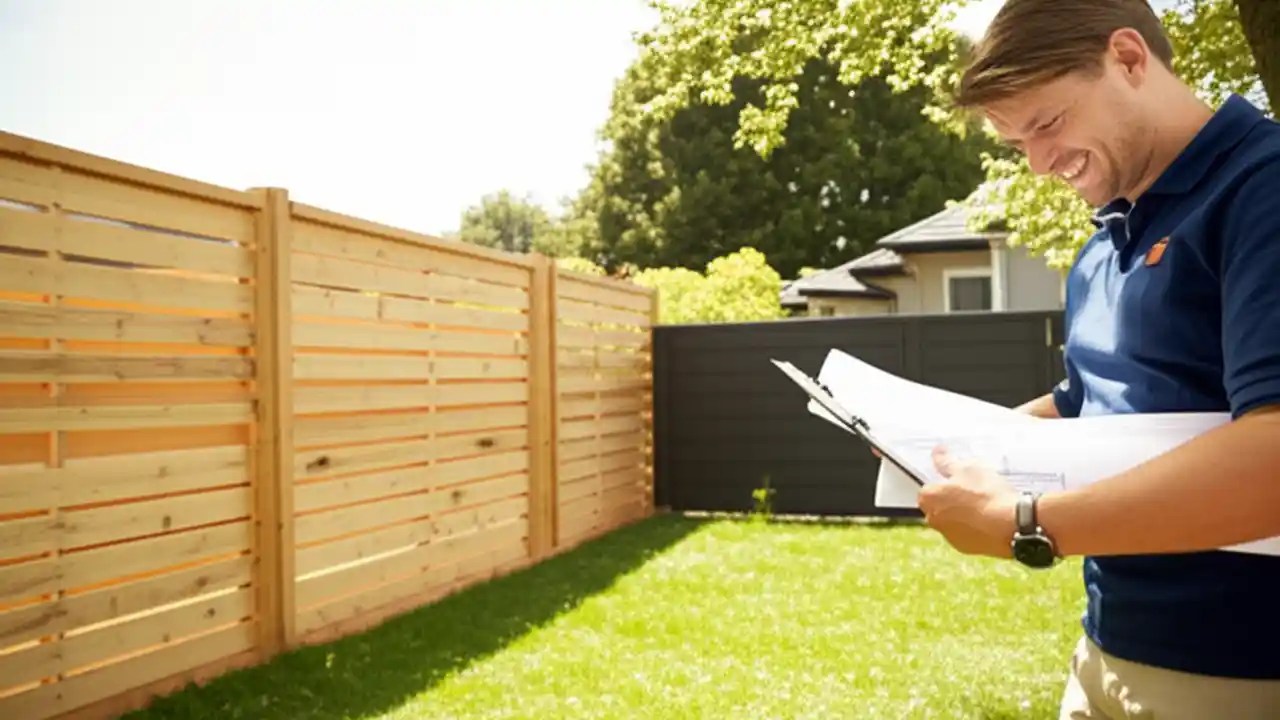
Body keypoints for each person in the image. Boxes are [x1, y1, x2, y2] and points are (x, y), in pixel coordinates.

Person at [914, 0, 1280, 717]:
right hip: (1102, 653)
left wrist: (1026, 522)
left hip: (1238, 672)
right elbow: (1088, 402)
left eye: (1047, 123)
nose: (1039, 164)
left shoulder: (1263, 190)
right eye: (1017, 144)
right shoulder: (1101, 248)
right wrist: (944, 444)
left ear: (1130, 59)